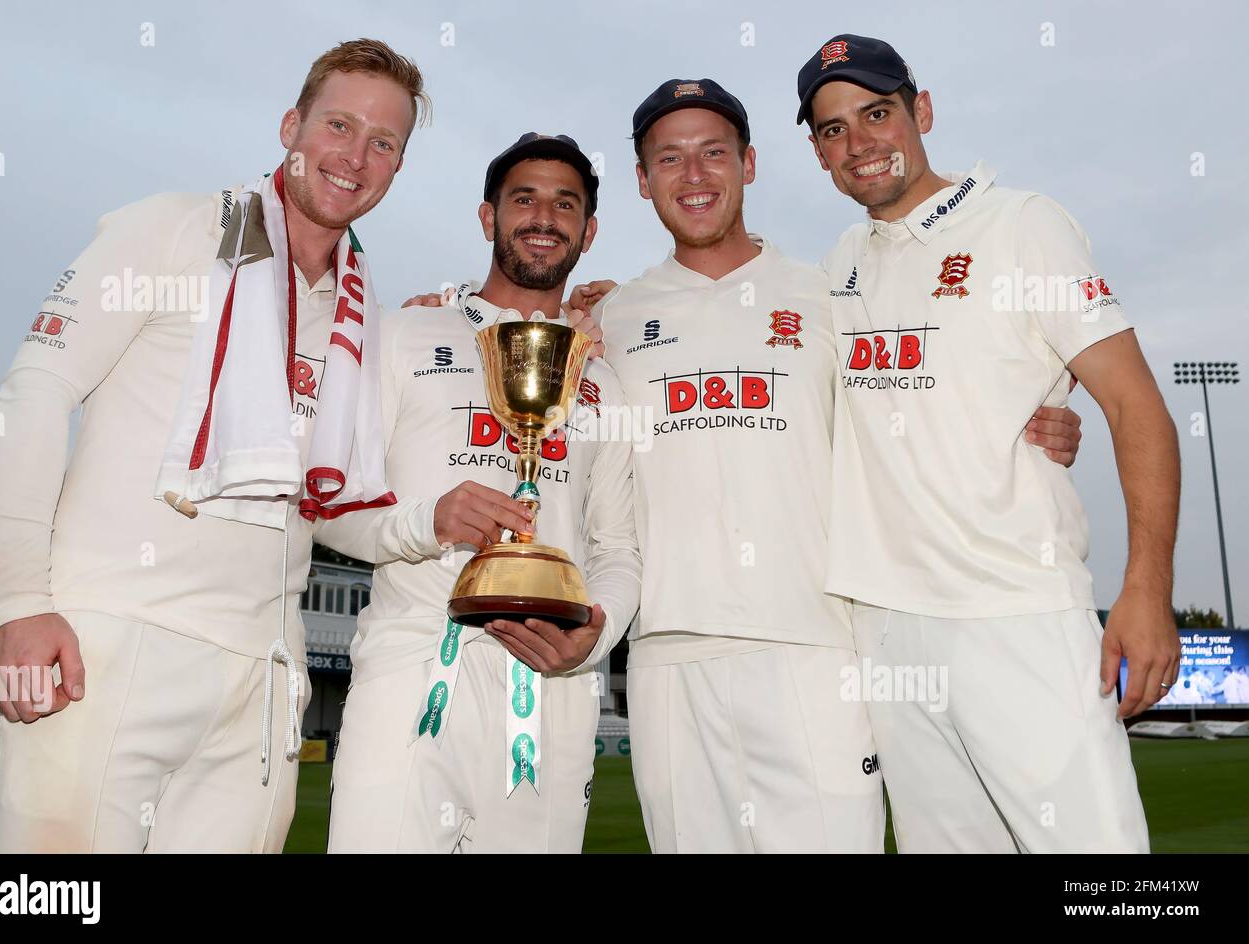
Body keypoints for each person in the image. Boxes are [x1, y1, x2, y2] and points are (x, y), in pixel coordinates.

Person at [565, 79, 1084, 852]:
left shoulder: (832, 293)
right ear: (642, 180)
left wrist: (1034, 420)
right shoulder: (608, 319)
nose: (694, 175)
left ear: (749, 163)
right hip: (669, 657)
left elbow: (932, 385)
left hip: (816, 650)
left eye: (714, 153)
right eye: (669, 159)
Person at [0, 38, 434, 853]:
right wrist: (18, 604)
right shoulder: (174, 228)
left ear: (397, 167)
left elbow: (325, 508)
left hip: (261, 676)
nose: (355, 156)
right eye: (338, 125)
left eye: (384, 142)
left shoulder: (361, 316)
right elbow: (33, 393)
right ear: (292, 126)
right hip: (108, 639)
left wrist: (440, 520)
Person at [797, 33, 1180, 851]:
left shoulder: (1021, 224)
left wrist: (1147, 591)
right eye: (833, 129)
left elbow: (1136, 405)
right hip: (886, 627)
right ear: (819, 153)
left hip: (1017, 610)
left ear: (922, 112)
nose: (859, 142)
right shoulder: (838, 265)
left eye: (876, 113)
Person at [326, 134, 640, 853]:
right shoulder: (404, 335)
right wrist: (427, 522)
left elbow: (619, 548)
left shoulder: (603, 378)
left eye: (565, 204)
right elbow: (327, 506)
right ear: (487, 216)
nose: (544, 218)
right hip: (412, 671)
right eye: (524, 199)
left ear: (589, 230)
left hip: (552, 689)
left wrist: (595, 634)